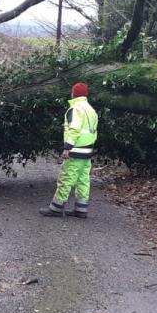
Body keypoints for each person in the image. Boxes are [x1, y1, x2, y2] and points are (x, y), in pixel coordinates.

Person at [40, 82, 99, 218]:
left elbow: (74, 129)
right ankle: (81, 209)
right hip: (87, 151)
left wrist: (67, 148)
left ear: (73, 94)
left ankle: (56, 208)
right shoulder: (91, 110)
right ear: (86, 95)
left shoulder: (75, 109)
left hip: (76, 150)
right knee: (83, 180)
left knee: (66, 178)